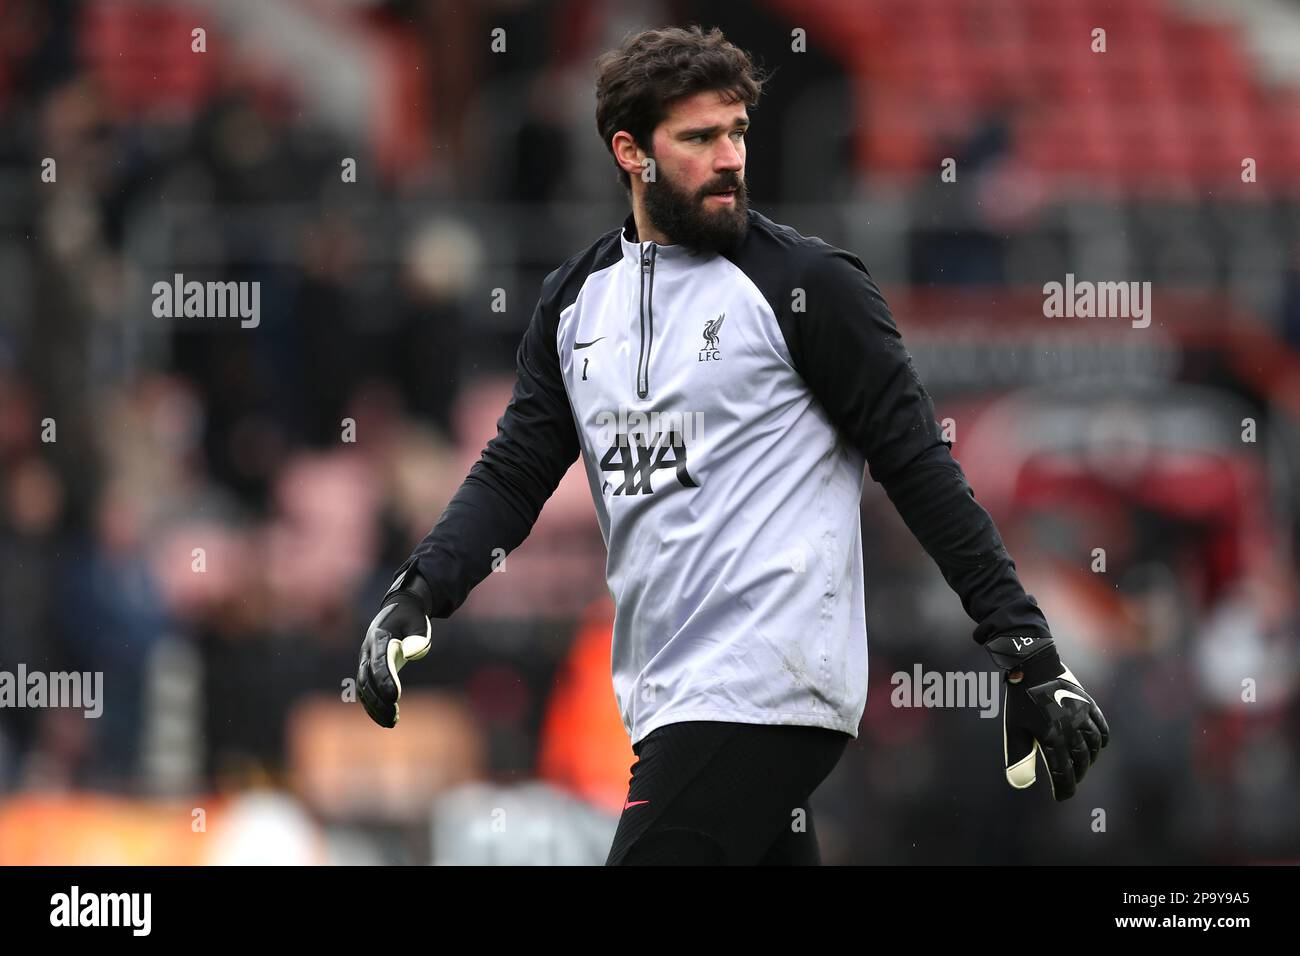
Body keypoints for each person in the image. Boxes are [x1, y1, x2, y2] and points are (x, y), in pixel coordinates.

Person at [357, 24, 1109, 865]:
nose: (729, 158)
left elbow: (920, 468)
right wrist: (420, 592)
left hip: (766, 687)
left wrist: (1028, 651)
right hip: (666, 696)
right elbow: (516, 468)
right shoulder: (573, 303)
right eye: (699, 137)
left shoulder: (809, 287)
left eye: (738, 132)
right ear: (630, 152)